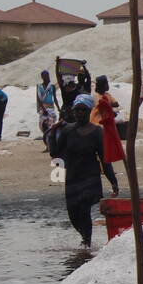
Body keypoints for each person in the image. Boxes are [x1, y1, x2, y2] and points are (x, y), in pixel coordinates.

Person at [50, 95, 108, 247]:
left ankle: (87, 243)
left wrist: (112, 180)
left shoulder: (97, 132)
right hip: (72, 177)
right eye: (77, 110)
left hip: (90, 176)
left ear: (89, 111)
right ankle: (84, 237)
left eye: (83, 110)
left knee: (84, 209)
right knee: (73, 213)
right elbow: (55, 153)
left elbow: (104, 158)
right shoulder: (67, 130)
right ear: (73, 111)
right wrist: (53, 132)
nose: (80, 113)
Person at [88, 76, 124, 194]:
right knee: (103, 158)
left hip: (104, 129)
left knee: (104, 158)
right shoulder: (96, 97)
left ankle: (113, 184)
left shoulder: (106, 95)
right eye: (106, 83)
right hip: (96, 128)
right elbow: (105, 106)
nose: (107, 85)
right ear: (101, 85)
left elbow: (115, 103)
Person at [36, 70, 59, 153]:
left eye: (48, 75)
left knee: (50, 128)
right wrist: (43, 108)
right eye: (45, 76)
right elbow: (39, 98)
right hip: (43, 109)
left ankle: (50, 146)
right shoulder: (39, 87)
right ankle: (48, 145)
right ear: (42, 77)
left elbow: (55, 98)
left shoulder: (52, 86)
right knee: (43, 127)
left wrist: (59, 108)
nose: (47, 77)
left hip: (51, 108)